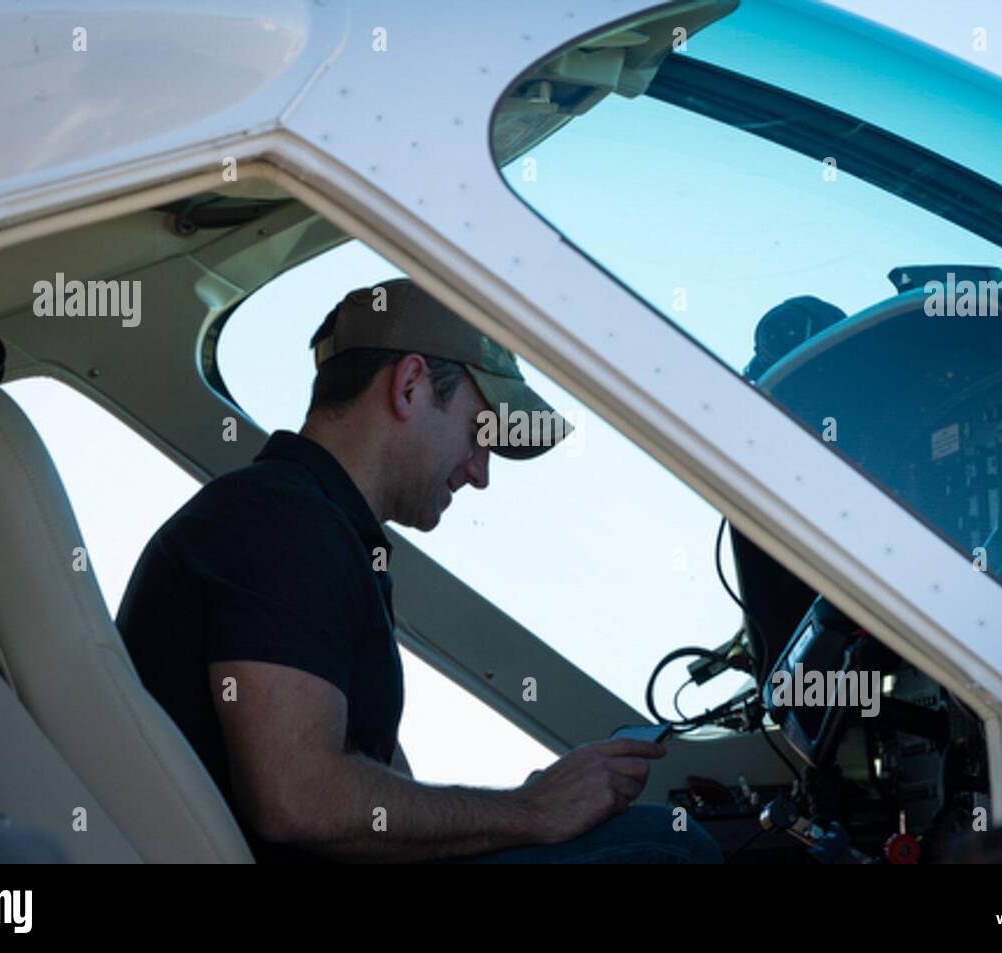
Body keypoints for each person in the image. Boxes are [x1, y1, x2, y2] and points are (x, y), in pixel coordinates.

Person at [117, 278, 721, 864]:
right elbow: (296, 800)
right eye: (480, 433)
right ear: (409, 387)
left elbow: (361, 797)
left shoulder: (319, 527)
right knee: (664, 844)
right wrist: (530, 810)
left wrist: (528, 811)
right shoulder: (281, 523)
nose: (481, 474)